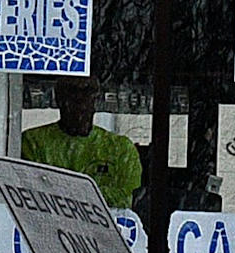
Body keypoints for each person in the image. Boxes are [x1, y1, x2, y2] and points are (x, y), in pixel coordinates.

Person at [16, 80, 142, 211]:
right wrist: (90, 192)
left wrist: (64, 190)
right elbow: (30, 194)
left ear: (95, 103)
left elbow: (125, 200)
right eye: (74, 98)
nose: (81, 108)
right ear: (59, 101)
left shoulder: (120, 149)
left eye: (87, 96)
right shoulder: (32, 142)